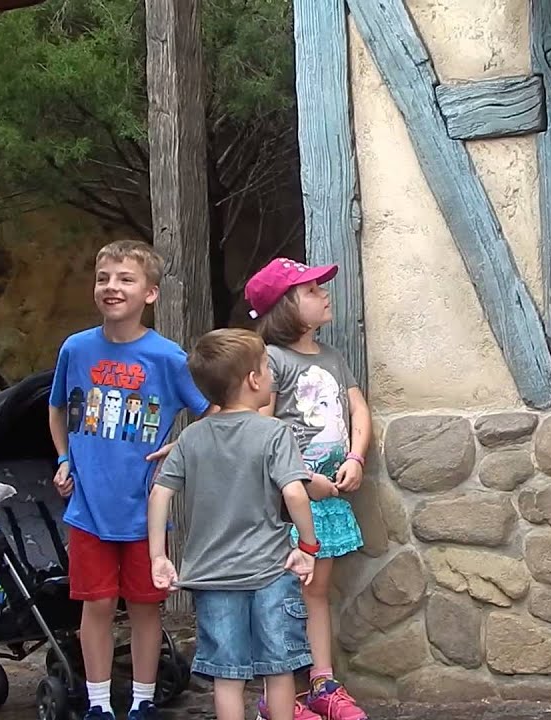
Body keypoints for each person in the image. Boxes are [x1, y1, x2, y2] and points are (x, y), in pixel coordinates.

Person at [47, 239, 213, 720]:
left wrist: (180, 447)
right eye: (103, 278)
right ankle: (98, 704)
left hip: (146, 512)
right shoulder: (75, 349)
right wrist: (63, 459)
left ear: (151, 294)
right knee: (96, 605)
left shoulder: (168, 357)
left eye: (125, 279)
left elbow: (214, 413)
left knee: (145, 608)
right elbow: (58, 408)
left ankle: (142, 700)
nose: (111, 287)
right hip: (88, 508)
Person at [147, 328, 321, 720]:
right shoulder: (275, 432)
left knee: (228, 677)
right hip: (271, 572)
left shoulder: (191, 437)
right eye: (266, 366)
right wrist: (307, 547)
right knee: (278, 671)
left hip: (212, 577)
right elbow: (295, 493)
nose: (271, 374)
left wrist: (158, 555)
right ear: (254, 380)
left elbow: (160, 493)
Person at [245, 257, 372, 720]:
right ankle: (279, 697)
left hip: (330, 499)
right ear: (285, 308)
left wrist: (356, 457)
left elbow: (358, 411)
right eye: (313, 291)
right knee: (284, 597)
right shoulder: (272, 361)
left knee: (316, 592)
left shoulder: (334, 357)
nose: (325, 295)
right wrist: (300, 477)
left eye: (321, 288)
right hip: (289, 503)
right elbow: (260, 430)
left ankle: (323, 682)